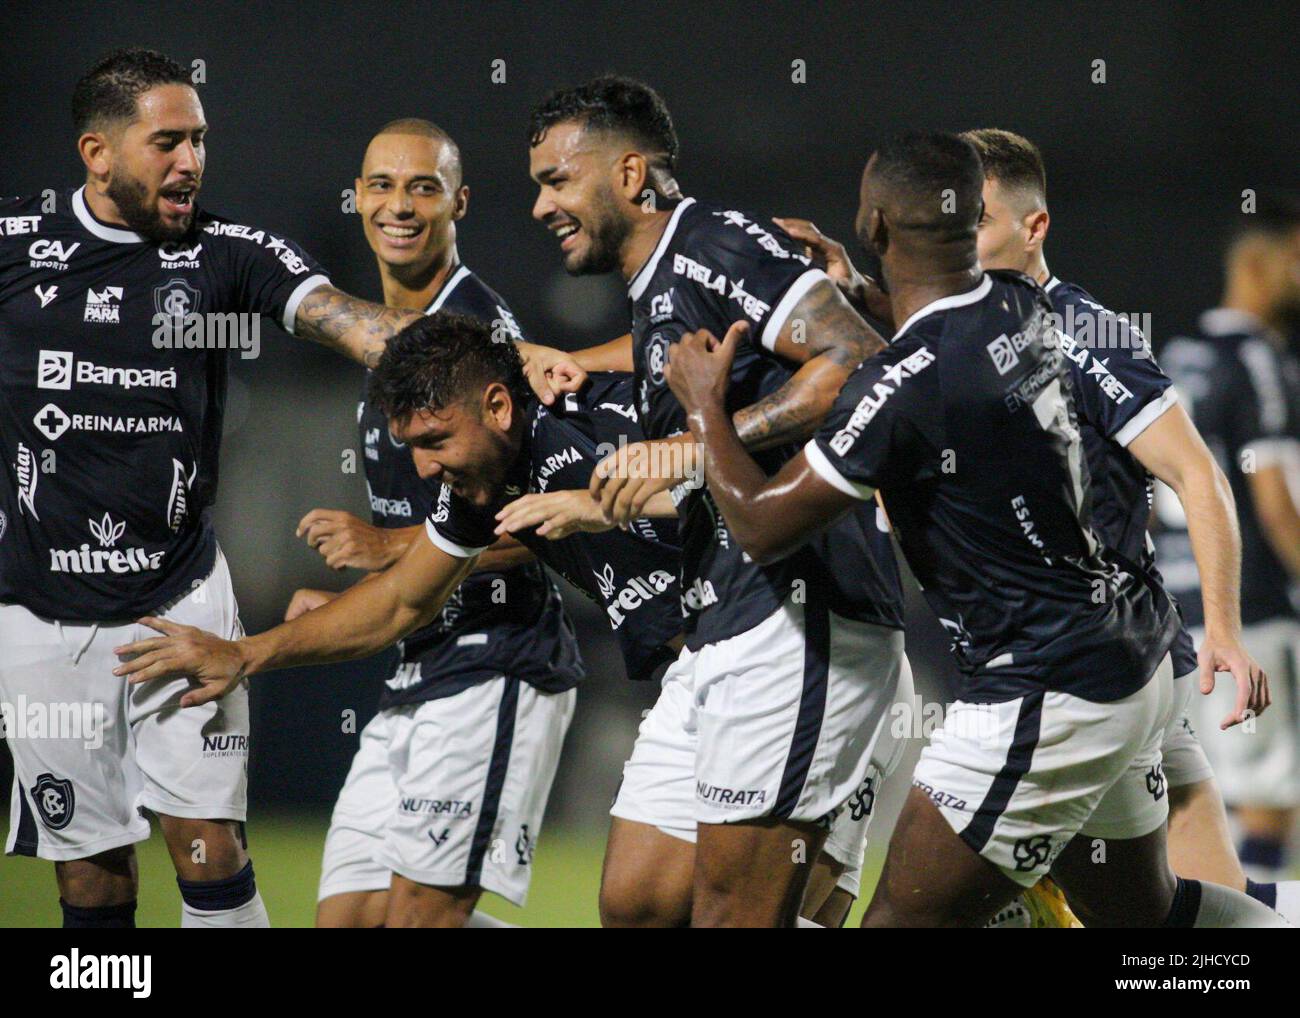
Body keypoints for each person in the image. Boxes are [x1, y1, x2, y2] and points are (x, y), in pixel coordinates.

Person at [0, 48, 579, 930]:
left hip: (177, 601)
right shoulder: (13, 252)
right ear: (97, 152)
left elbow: (345, 321)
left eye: (199, 140)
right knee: (89, 877)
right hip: (35, 619)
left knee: (210, 854)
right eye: (168, 142)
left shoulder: (226, 254)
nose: (192, 161)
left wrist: (492, 364)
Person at [660, 130, 1284, 927]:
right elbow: (939, 334)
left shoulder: (904, 387)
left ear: (873, 223)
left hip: (1045, 686)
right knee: (1143, 919)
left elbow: (759, 524)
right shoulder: (1024, 306)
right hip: (1120, 656)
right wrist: (855, 288)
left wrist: (704, 406)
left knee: (906, 920)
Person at [111, 314, 688, 928]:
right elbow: (401, 604)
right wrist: (246, 653)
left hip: (763, 638)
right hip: (692, 670)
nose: (423, 469)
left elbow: (748, 428)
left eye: (435, 441)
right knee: (646, 907)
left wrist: (623, 490)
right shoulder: (480, 486)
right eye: (411, 445)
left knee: (675, 904)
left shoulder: (603, 412)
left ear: (496, 406)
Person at [524, 75, 906, 926]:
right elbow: (689, 352)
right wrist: (582, 363)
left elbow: (861, 360)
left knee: (737, 912)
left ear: (628, 176)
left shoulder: (714, 241)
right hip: (728, 612)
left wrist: (695, 445)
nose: (543, 206)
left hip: (802, 610)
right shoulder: (663, 280)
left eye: (557, 180)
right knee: (639, 901)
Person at [291, 119, 584, 928]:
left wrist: (391, 549)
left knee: (418, 922)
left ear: (460, 201)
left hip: (495, 659)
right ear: (355, 198)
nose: (400, 206)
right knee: (347, 921)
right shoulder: (389, 344)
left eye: (424, 187)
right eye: (381, 185)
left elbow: (543, 518)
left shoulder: (480, 340)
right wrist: (371, 587)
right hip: (418, 662)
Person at [1155, 190, 1300, 892]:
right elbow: (1274, 502)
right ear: (1260, 261)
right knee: (1267, 798)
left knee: (1195, 798)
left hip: (1172, 610)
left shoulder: (1175, 355)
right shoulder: (1260, 359)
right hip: (1249, 610)